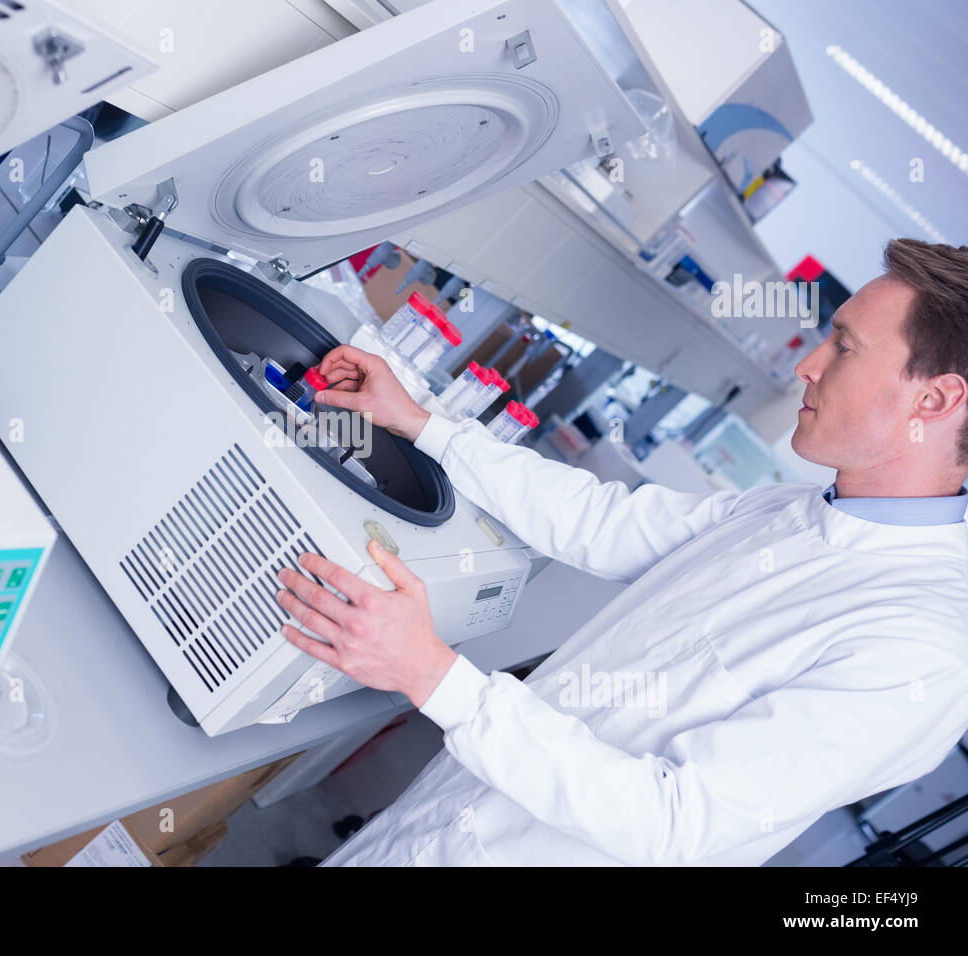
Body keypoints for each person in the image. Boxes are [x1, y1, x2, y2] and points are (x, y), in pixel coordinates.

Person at [272, 238, 968, 865]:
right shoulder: (792, 512)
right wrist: (426, 426)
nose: (810, 367)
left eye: (843, 347)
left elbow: (674, 821)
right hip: (440, 821)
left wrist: (431, 674)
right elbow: (600, 522)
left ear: (934, 402)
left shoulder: (922, 646)